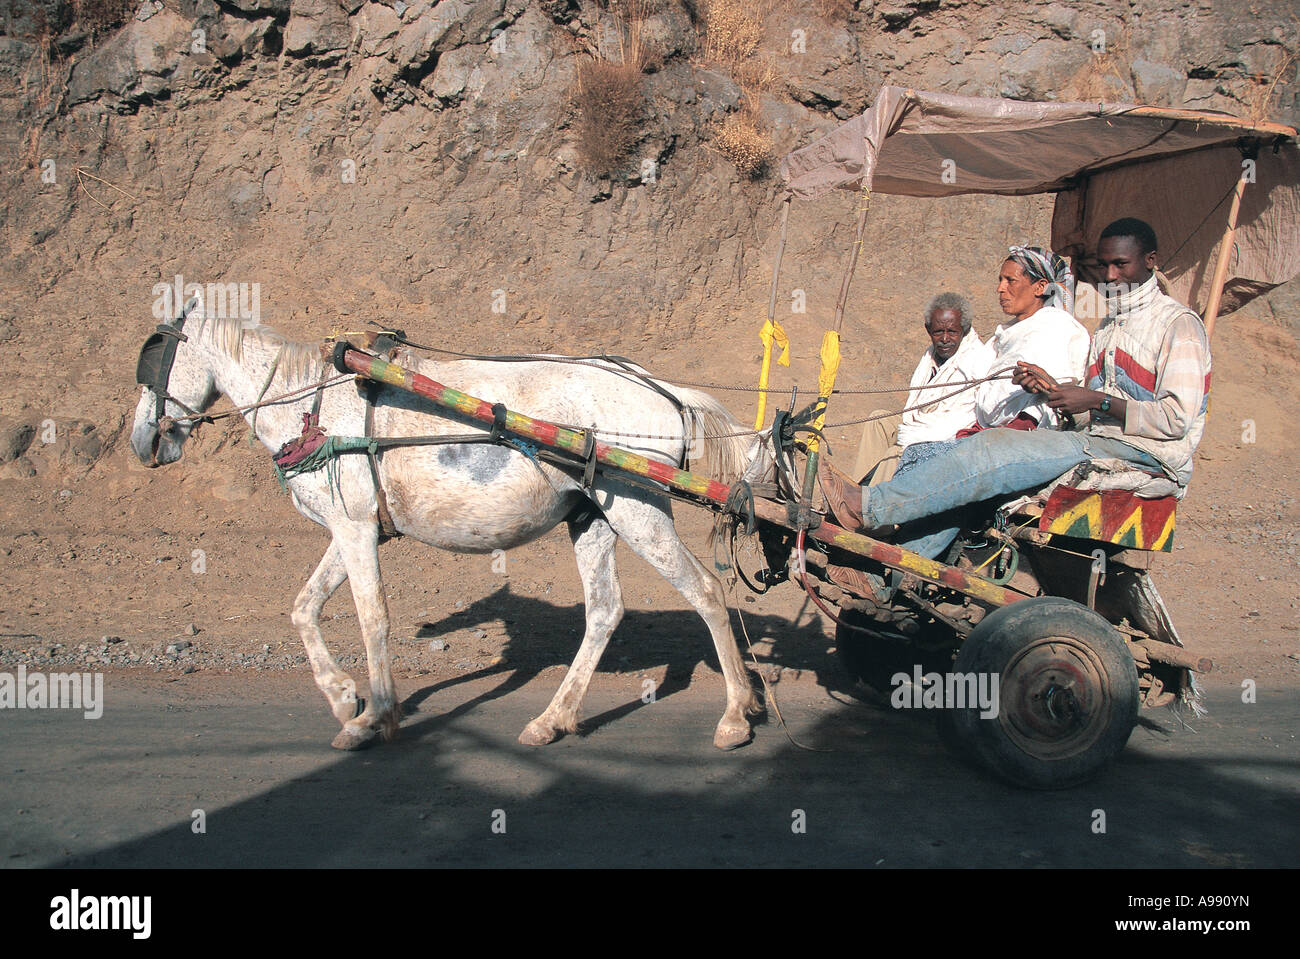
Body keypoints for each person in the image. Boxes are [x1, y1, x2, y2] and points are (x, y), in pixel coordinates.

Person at [819, 217, 1212, 562]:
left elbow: (1176, 419)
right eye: (1104, 266)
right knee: (975, 478)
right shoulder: (1109, 327)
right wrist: (1057, 392)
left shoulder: (1179, 325)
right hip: (1096, 440)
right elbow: (1094, 411)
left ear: (1151, 261)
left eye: (1120, 265)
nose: (1110, 276)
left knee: (992, 449)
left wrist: (1096, 399)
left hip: (1149, 454)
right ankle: (895, 570)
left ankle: (868, 507)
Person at [851, 292, 992, 484]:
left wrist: (913, 436)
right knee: (878, 420)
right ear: (928, 330)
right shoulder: (931, 356)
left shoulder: (976, 361)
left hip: (946, 437)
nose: (944, 339)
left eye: (952, 332)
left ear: (964, 331)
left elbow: (961, 421)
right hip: (919, 423)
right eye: (938, 332)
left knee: (896, 453)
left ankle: (869, 505)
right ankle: (856, 486)